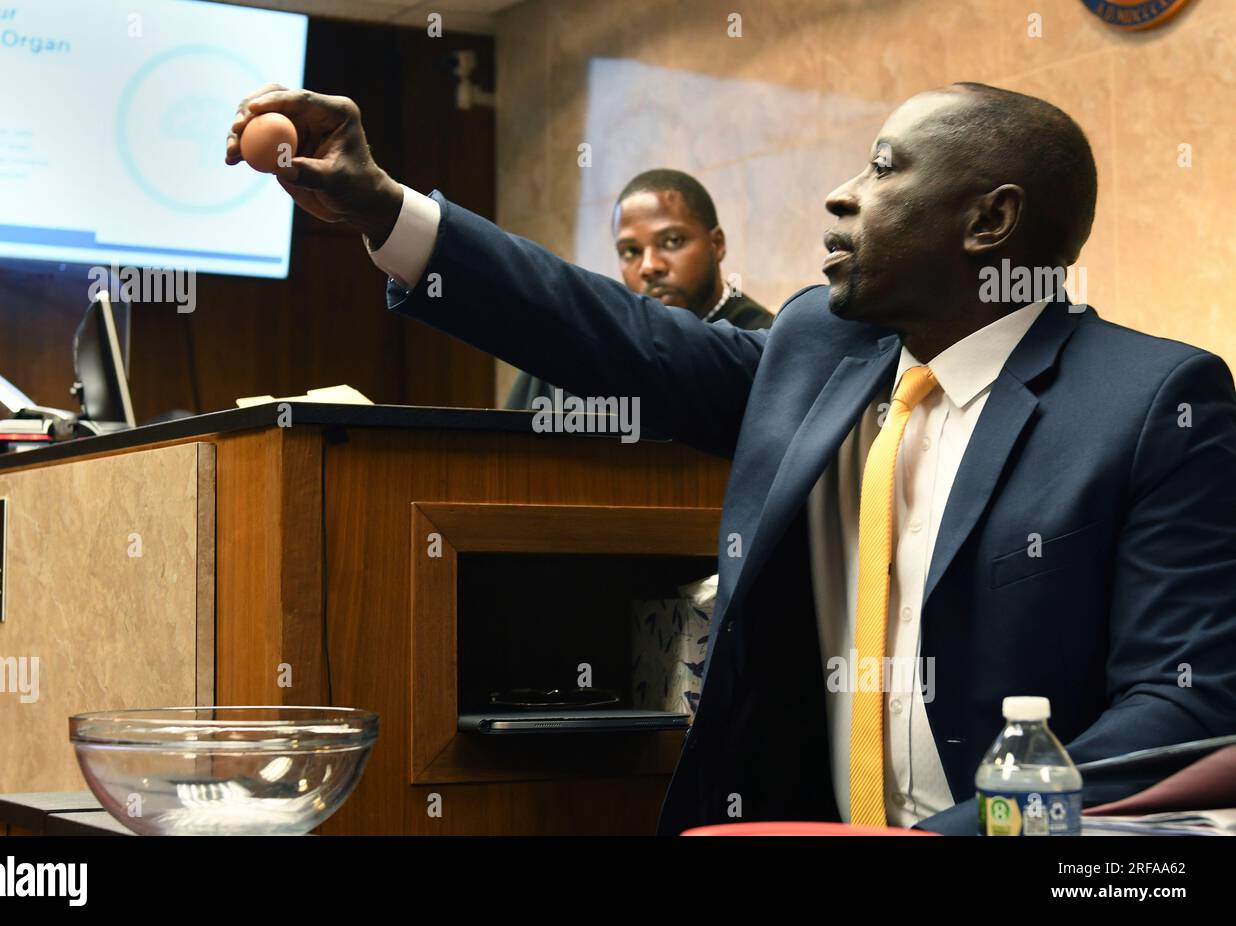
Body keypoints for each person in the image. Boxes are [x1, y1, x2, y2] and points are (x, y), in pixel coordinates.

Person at [226, 81, 1236, 836]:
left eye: (882, 170)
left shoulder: (1153, 402)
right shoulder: (816, 350)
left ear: (992, 221)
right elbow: (599, 328)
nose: (839, 198)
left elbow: (1184, 704)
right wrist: (384, 210)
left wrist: (966, 831)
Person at [504, 169, 773, 409]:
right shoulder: (584, 337)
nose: (649, 266)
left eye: (672, 241)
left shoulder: (765, 343)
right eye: (631, 251)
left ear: (717, 244)